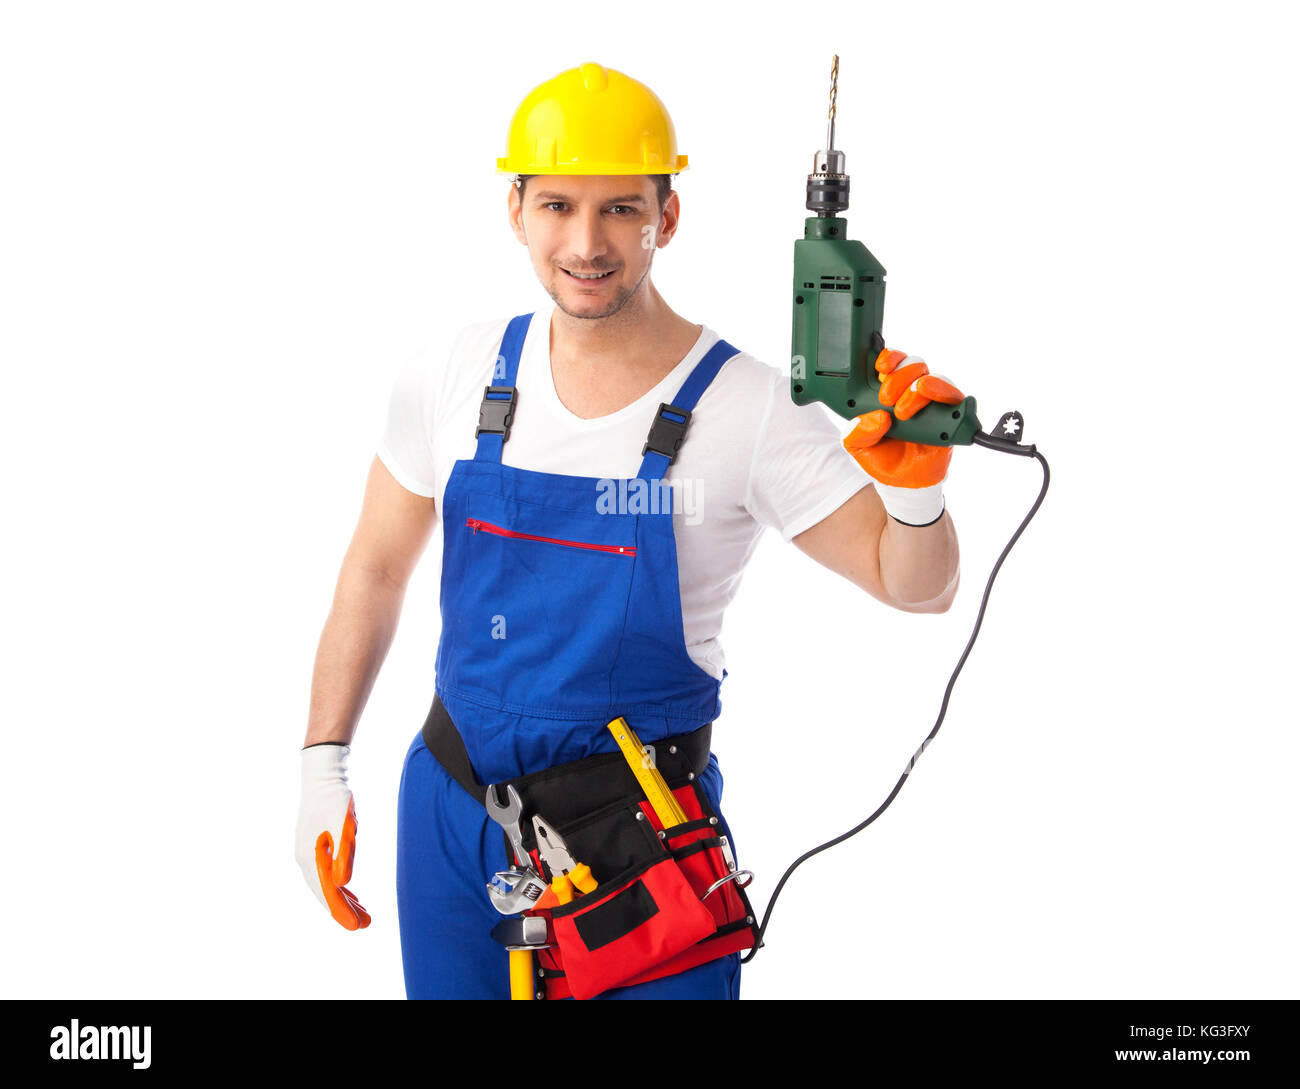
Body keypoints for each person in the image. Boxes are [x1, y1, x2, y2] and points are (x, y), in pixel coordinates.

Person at [295, 62, 963, 999]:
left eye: (620, 209)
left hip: (645, 848)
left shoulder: (748, 407)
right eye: (557, 206)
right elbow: (373, 569)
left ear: (667, 216)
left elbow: (918, 585)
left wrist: (916, 496)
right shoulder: (453, 371)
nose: (586, 242)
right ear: (516, 209)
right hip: (453, 813)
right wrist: (322, 763)